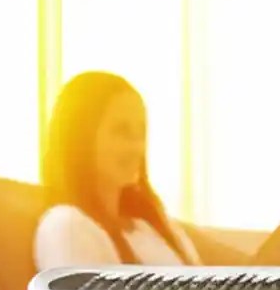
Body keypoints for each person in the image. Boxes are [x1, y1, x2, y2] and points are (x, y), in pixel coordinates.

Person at [34, 71, 200, 269]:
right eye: (121, 131)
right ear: (80, 138)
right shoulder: (66, 226)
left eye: (141, 132)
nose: (137, 147)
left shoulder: (153, 225)